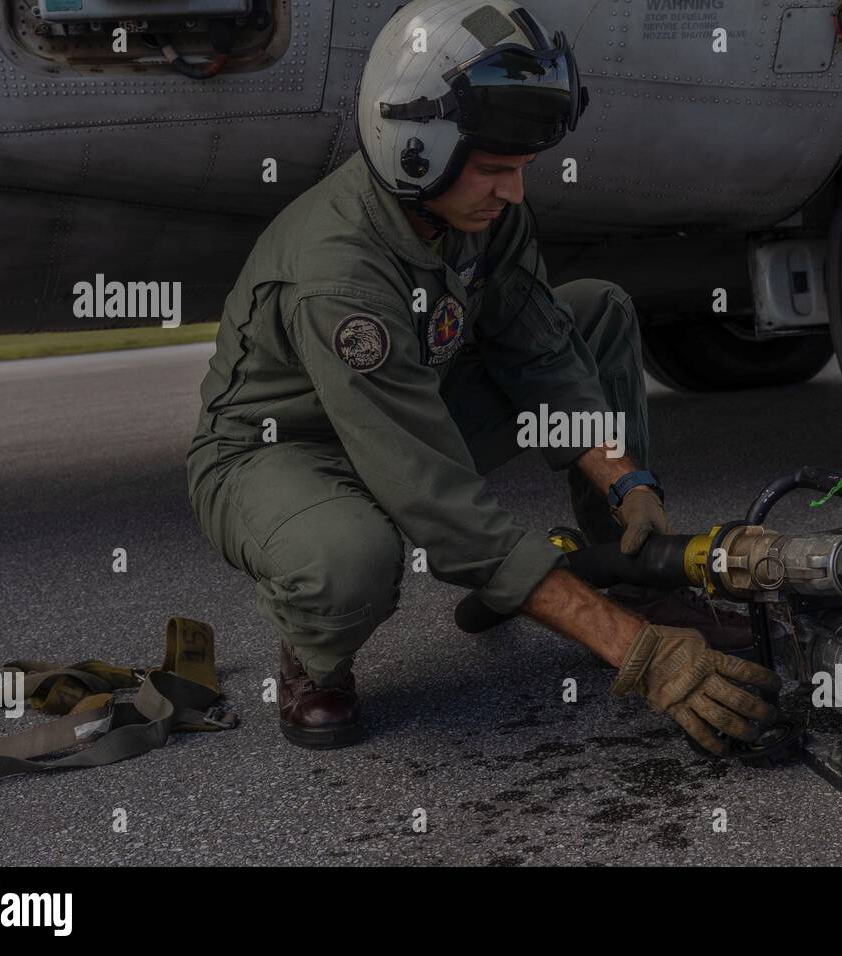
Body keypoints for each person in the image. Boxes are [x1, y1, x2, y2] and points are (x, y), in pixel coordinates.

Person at [186, 0, 780, 755]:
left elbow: (542, 351)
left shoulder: (477, 214)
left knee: (594, 311)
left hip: (406, 406)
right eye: (496, 171)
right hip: (280, 453)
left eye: (522, 170)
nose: (515, 193)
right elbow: (438, 503)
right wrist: (637, 653)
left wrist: (626, 481)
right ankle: (315, 658)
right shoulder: (340, 276)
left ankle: (621, 568)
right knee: (350, 560)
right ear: (415, 149)